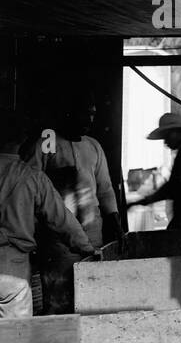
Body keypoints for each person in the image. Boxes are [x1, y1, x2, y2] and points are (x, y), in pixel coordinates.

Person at [23, 89, 121, 313]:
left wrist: (114, 220)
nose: (89, 119)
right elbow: (29, 183)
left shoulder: (93, 146)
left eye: (93, 114)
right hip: (58, 240)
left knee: (90, 295)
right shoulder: (48, 141)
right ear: (67, 114)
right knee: (59, 297)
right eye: (83, 114)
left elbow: (105, 189)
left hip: (93, 235)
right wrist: (54, 176)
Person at [0, 111, 96, 318]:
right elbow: (61, 219)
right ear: (24, 140)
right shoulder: (32, 177)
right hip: (12, 269)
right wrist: (86, 247)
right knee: (14, 342)